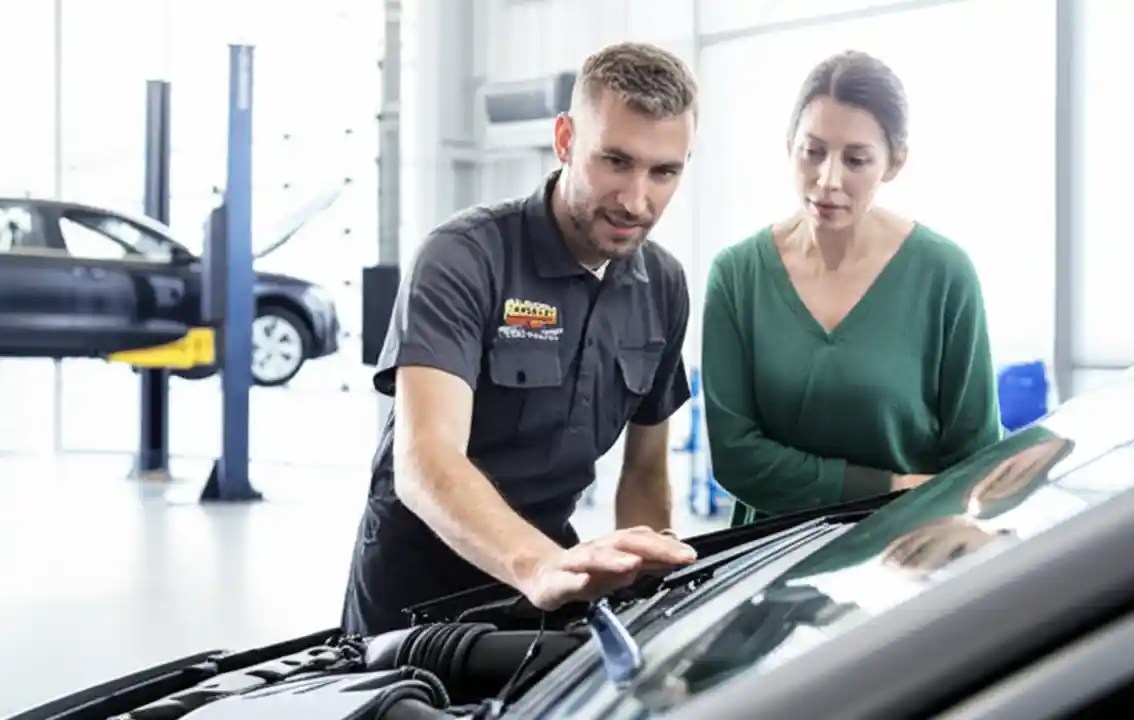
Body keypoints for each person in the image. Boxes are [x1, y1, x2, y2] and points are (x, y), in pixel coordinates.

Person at [342, 41, 701, 636]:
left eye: (664, 172)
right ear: (565, 140)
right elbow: (424, 457)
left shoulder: (662, 285)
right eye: (615, 161)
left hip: (546, 593)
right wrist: (538, 566)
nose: (638, 200)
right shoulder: (464, 258)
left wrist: (649, 592)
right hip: (411, 603)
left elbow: (643, 473)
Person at [701, 49, 1003, 528]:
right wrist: (887, 488)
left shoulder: (945, 275)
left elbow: (976, 460)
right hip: (765, 564)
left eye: (857, 159)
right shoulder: (738, 276)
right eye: (813, 152)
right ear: (788, 146)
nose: (829, 180)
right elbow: (736, 458)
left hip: (909, 560)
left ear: (894, 162)